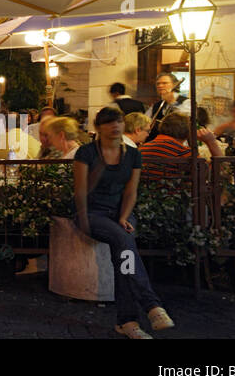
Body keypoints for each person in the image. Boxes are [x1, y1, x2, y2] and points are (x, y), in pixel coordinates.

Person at [74, 106, 173, 339]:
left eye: (117, 121)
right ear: (99, 128)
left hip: (120, 213)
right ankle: (151, 306)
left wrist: (123, 216)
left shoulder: (133, 154)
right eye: (108, 122)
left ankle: (127, 322)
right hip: (92, 212)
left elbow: (131, 191)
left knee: (123, 259)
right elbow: (79, 192)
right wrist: (85, 220)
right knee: (123, 239)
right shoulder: (86, 153)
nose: (115, 126)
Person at [146, 73, 188, 141]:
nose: (160, 86)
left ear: (174, 85)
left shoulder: (186, 102)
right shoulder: (156, 105)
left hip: (177, 142)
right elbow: (146, 121)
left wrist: (172, 102)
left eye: (164, 83)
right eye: (158, 84)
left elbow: (184, 121)